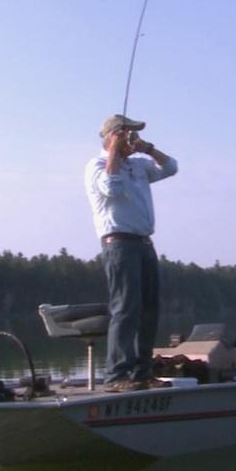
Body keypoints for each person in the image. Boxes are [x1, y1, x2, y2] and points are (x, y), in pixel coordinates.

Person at [85, 114, 178, 392]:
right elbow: (111, 189)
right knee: (126, 308)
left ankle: (141, 373)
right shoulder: (97, 165)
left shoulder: (138, 165)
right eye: (128, 134)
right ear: (113, 136)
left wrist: (148, 149)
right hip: (119, 244)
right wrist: (114, 151)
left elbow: (171, 167)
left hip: (144, 243)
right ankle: (116, 376)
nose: (132, 139)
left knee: (149, 309)